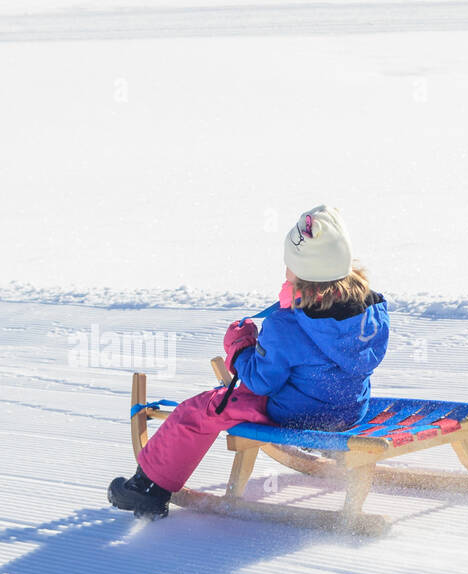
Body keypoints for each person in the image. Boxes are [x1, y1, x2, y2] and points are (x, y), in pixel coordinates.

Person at [108, 205, 390, 517]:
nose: (285, 273)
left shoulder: (286, 325)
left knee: (201, 409)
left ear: (305, 278)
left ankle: (148, 487)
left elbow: (259, 381)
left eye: (290, 268)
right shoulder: (371, 312)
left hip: (295, 415)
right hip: (350, 410)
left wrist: (241, 349)